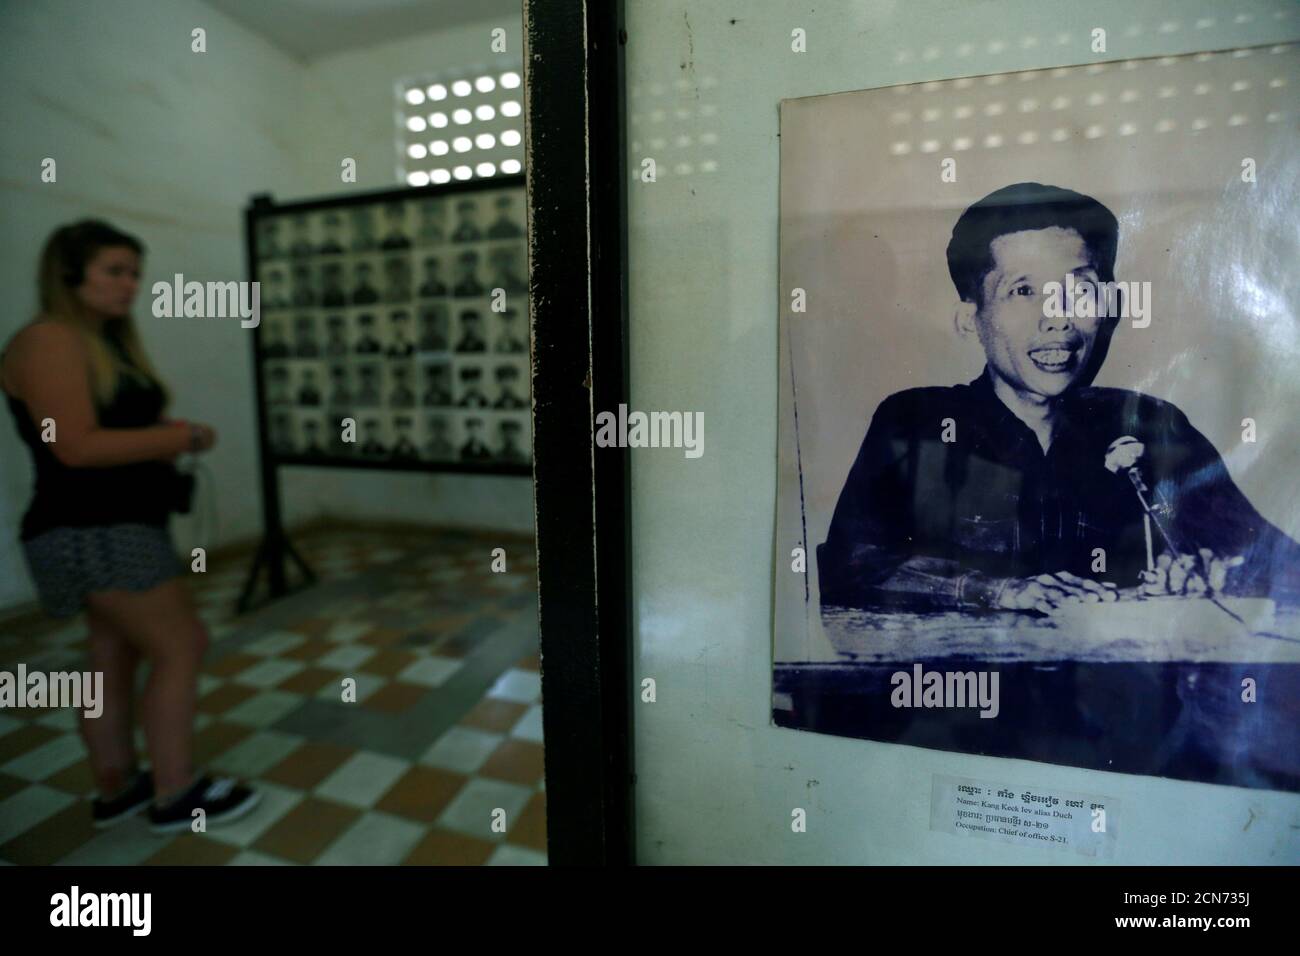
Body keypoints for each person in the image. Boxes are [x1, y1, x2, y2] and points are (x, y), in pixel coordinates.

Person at [818, 183, 1300, 614]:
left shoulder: (1150, 425)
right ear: (971, 319)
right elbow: (849, 567)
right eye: (1024, 290)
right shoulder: (918, 423)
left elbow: (1279, 562)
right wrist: (996, 591)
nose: (1058, 318)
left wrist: (1220, 573)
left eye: (1080, 291)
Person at [0, 220, 259, 831]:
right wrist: (179, 436)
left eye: (135, 273)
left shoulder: (101, 341)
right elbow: (76, 448)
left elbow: (110, 430)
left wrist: (161, 439)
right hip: (94, 529)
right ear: (69, 274)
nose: (130, 285)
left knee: (111, 653)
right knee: (180, 644)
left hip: (115, 523)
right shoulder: (49, 340)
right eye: (114, 271)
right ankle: (176, 793)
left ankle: (117, 788)